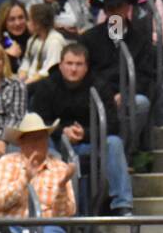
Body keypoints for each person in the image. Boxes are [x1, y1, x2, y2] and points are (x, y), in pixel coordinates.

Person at [29, 41, 136, 215]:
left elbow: (113, 124)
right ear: (61, 65)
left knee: (114, 143)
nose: (73, 69)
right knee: (42, 143)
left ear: (86, 67)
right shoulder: (47, 86)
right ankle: (50, 206)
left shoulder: (99, 85)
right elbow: (36, 122)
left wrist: (85, 133)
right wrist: (62, 131)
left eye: (79, 64)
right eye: (69, 64)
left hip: (90, 141)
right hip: (56, 142)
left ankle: (122, 205)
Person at [0, 113, 78, 233]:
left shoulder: (61, 168)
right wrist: (25, 179)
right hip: (11, 227)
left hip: (47, 228)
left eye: (41, 138)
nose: (37, 143)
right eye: (31, 138)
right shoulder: (5, 163)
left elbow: (67, 214)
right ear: (21, 142)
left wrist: (62, 186)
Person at [81, 0, 156, 150]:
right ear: (105, 12)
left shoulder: (140, 40)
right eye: (110, 9)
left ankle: (122, 149)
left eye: (119, 8)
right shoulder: (89, 39)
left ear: (128, 8)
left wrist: (126, 92)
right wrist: (107, 94)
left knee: (141, 103)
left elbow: (145, 75)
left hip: (127, 94)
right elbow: (86, 72)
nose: (115, 13)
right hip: (98, 94)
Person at [15, 0, 93, 39]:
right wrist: (56, 28)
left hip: (76, 47)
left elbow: (89, 24)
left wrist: (82, 32)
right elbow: (29, 26)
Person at [17, 1, 66, 82]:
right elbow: (27, 61)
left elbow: (49, 70)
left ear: (37, 23)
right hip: (29, 80)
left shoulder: (55, 42)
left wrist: (27, 83)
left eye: (29, 19)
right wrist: (22, 74)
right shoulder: (32, 40)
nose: (26, 23)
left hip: (44, 84)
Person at [0, 0, 31, 73]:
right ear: (4, 22)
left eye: (21, 17)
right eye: (12, 19)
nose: (17, 23)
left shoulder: (35, 39)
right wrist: (7, 56)